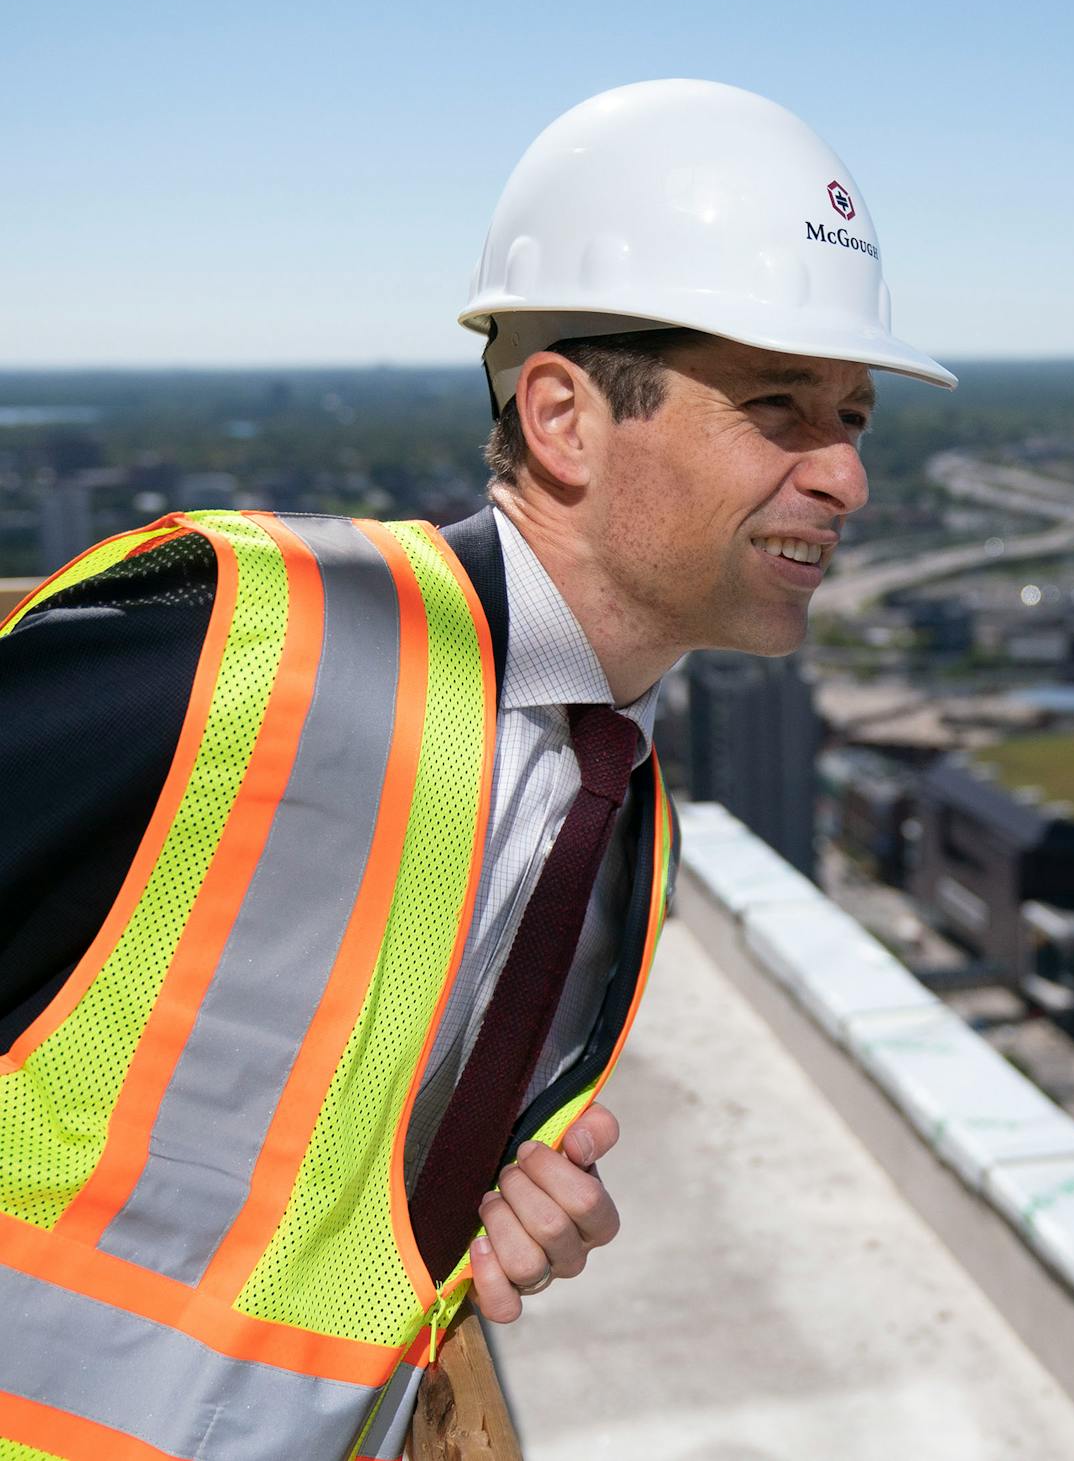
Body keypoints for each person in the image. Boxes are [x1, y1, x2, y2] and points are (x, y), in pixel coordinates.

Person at [0, 78, 954, 1460]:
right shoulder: (249, 641)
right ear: (563, 418)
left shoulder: (618, 815)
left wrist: (452, 1212)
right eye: (777, 405)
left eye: (853, 417)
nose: (845, 477)